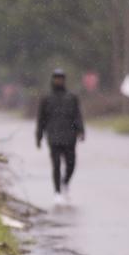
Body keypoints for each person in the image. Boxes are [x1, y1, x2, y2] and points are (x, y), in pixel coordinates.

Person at [35, 68, 85, 205]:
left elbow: (77, 116)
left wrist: (81, 130)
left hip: (69, 136)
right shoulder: (46, 98)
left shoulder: (71, 97)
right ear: (53, 80)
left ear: (64, 80)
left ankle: (65, 182)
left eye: (61, 78)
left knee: (71, 164)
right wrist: (39, 137)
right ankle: (57, 191)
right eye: (56, 78)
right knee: (56, 165)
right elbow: (41, 119)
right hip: (54, 136)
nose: (59, 81)